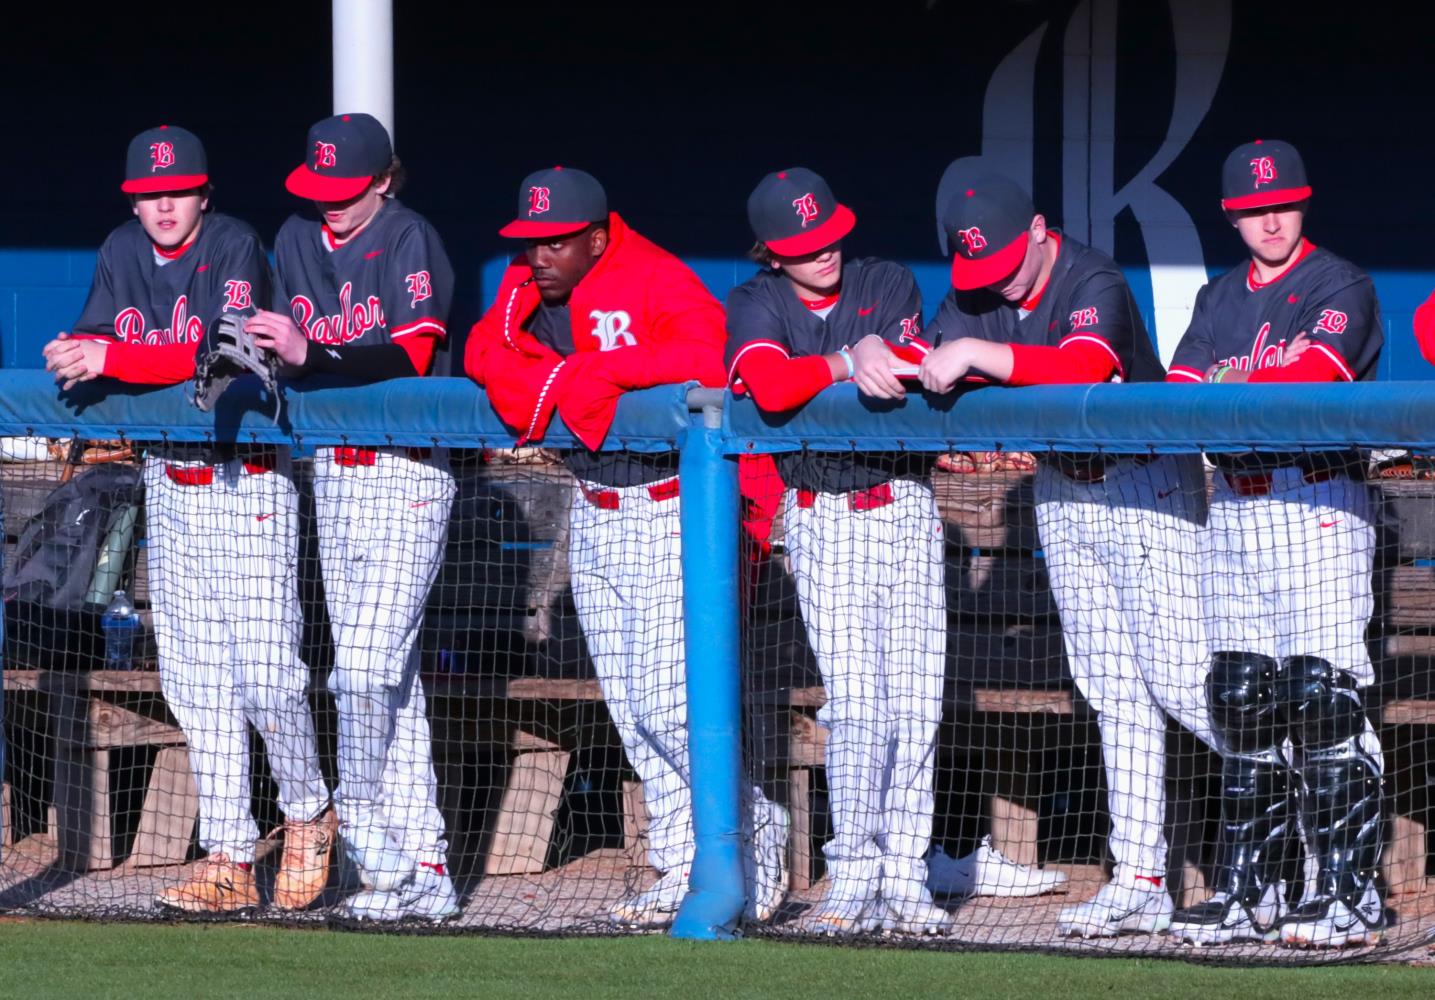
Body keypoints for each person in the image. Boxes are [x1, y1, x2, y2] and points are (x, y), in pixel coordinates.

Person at [726, 167, 1052, 936]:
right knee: (862, 710)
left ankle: (904, 874)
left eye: (829, 235)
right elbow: (770, 388)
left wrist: (872, 348)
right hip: (822, 515)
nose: (825, 253)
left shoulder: (885, 278)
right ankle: (853, 875)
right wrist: (846, 358)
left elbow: (905, 376)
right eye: (804, 247)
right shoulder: (755, 300)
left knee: (914, 706)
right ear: (772, 253)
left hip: (901, 506)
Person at [465, 166, 789, 930]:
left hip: (669, 511)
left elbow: (709, 356)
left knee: (677, 707)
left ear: (597, 237)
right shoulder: (525, 285)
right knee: (633, 711)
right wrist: (561, 381)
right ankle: (681, 866)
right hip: (596, 508)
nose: (538, 255)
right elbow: (483, 352)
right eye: (531, 241)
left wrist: (597, 371)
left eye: (556, 242)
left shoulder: (654, 276)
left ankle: (753, 850)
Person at [918, 161, 1218, 938]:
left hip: (1142, 481)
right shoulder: (972, 290)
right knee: (1110, 691)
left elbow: (1083, 372)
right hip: (1064, 489)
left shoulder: (1095, 279)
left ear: (1040, 232)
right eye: (980, 268)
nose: (1000, 285)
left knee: (1183, 682)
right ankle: (1140, 878)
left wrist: (979, 357)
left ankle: (1296, 852)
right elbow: (925, 353)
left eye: (1009, 263)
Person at [41, 125, 334, 915]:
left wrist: (111, 363)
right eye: (149, 194)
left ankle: (307, 814)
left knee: (269, 677)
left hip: (248, 482)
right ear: (134, 202)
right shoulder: (119, 250)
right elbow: (98, 336)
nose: (163, 205)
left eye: (177, 192)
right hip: (170, 481)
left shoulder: (235, 245)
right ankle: (231, 855)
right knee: (196, 682)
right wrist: (74, 351)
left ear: (203, 194)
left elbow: (223, 350)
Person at [1162, 140, 1385, 948]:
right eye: (1254, 207)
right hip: (1235, 507)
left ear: (1304, 201)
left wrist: (1237, 385)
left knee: (1321, 698)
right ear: (1231, 215)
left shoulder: (1338, 283)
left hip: (1315, 498)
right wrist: (1252, 380)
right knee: (1239, 695)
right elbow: (1180, 401)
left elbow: (1314, 378)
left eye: (1281, 202)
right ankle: (1249, 890)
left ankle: (1348, 894)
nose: (1269, 217)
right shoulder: (1218, 298)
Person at [245, 112, 458, 922]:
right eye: (320, 188)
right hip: (332, 475)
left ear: (381, 179)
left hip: (405, 473)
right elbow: (286, 343)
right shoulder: (297, 238)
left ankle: (365, 825)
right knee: (390, 691)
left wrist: (313, 355)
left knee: (361, 672)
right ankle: (420, 873)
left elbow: (410, 351)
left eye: (347, 188)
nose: (330, 203)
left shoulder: (411, 237)